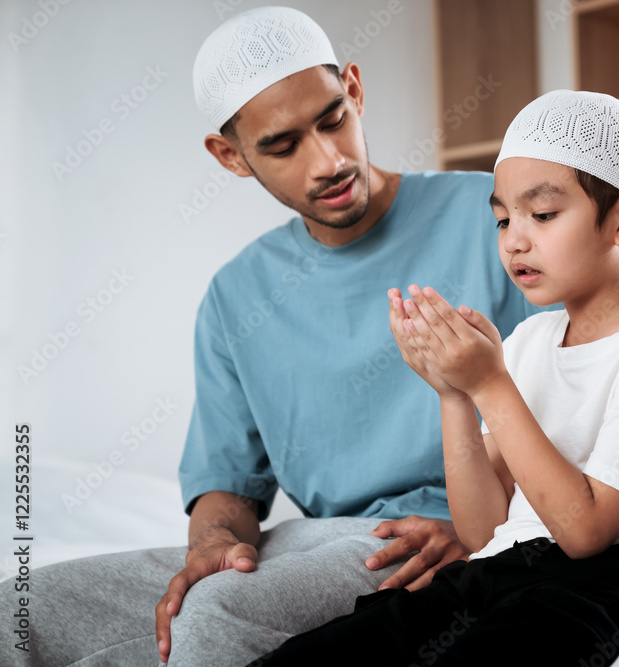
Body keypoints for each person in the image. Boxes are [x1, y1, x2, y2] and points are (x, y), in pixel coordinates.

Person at [0, 7, 549, 667]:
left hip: (427, 539)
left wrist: (489, 528)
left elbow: (584, 404)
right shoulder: (237, 296)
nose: (328, 161)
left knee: (218, 616)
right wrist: (214, 543)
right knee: (20, 610)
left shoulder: (496, 219)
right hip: (303, 541)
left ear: (355, 87)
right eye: (283, 146)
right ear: (230, 156)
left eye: (333, 119)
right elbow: (228, 484)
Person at [250, 89, 619, 666]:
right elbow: (481, 532)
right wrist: (453, 395)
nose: (515, 240)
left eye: (544, 214)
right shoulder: (531, 340)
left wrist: (489, 385)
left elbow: (586, 533)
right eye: (504, 218)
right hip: (509, 567)